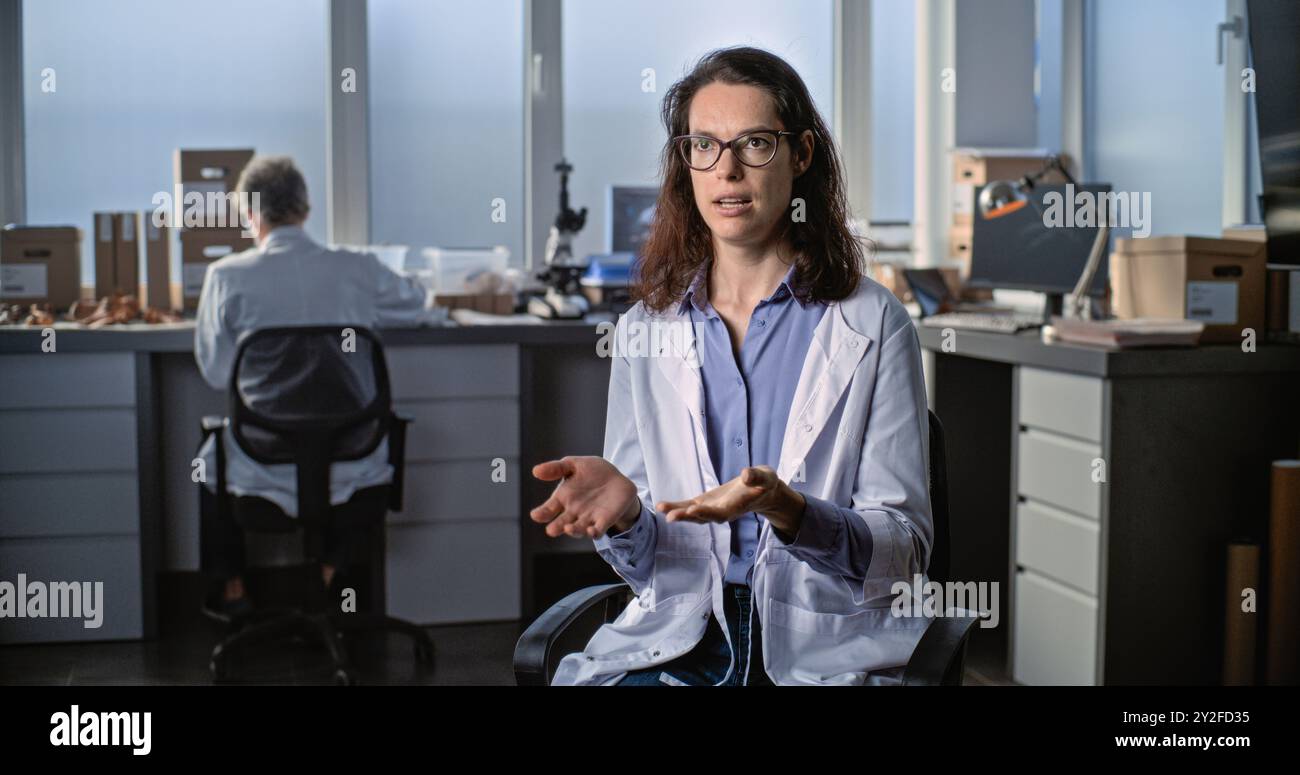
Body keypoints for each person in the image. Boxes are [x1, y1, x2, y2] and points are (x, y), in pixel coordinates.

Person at [530, 47, 933, 685]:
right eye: (705, 145)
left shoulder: (871, 321)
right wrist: (628, 516)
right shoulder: (645, 331)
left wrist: (792, 512)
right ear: (685, 161)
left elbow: (902, 556)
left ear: (801, 155)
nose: (728, 170)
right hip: (684, 637)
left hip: (821, 642)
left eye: (756, 144)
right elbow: (648, 570)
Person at [194, 155, 442, 619]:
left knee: (208, 459)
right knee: (354, 463)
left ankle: (231, 591)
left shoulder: (226, 276)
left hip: (263, 465)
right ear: (305, 210)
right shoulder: (357, 268)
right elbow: (417, 301)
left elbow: (216, 371)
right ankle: (331, 573)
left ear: (250, 215)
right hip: (351, 459)